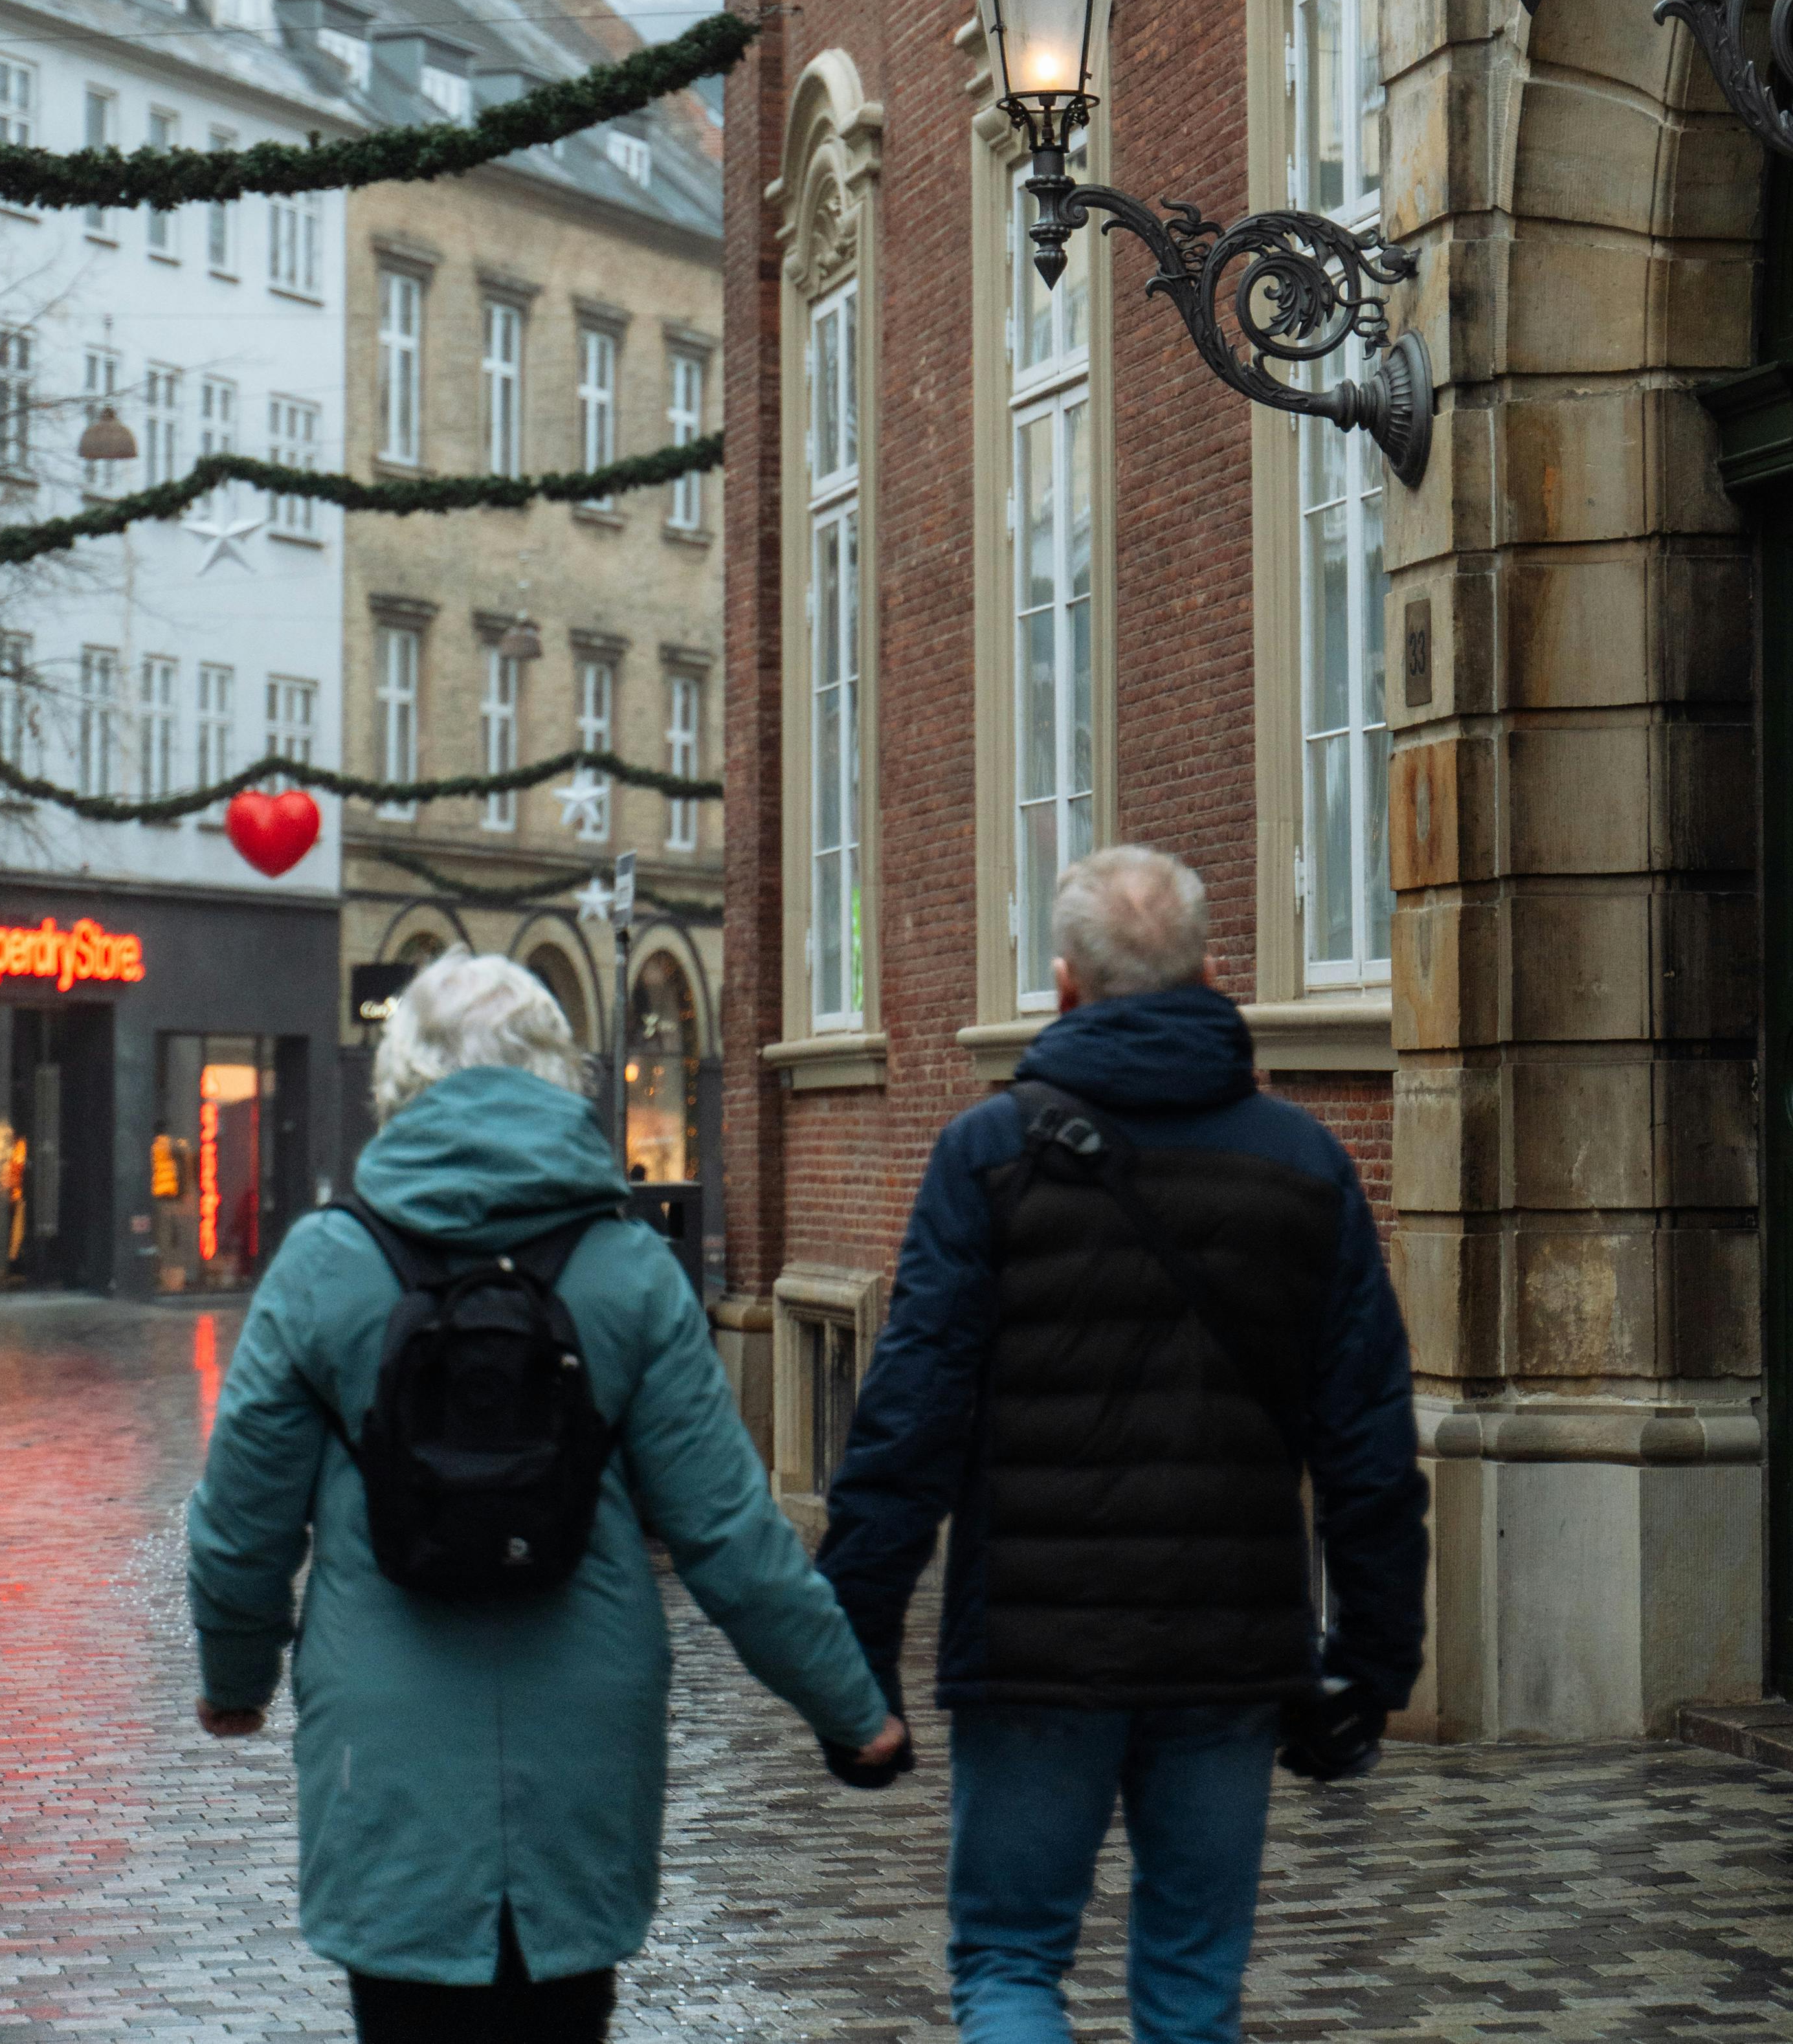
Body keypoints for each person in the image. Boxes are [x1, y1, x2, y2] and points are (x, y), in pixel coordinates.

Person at [186, 948, 903, 2039]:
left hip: (383, 1747)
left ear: (401, 1082)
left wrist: (236, 1679)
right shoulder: (627, 1271)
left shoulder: (328, 1264)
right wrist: (852, 1712)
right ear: (557, 1077)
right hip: (587, 1734)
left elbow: (242, 1521)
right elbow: (729, 1538)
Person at [816, 845, 1427, 2044]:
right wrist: (1375, 1657)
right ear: (1212, 972)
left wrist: (856, 1651)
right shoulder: (1303, 1168)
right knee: (1194, 1991)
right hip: (1230, 1647)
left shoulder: (985, 1159)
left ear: (1063, 988)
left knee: (1008, 1963)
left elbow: (908, 1423)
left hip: (1035, 1647)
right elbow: (1367, 1440)